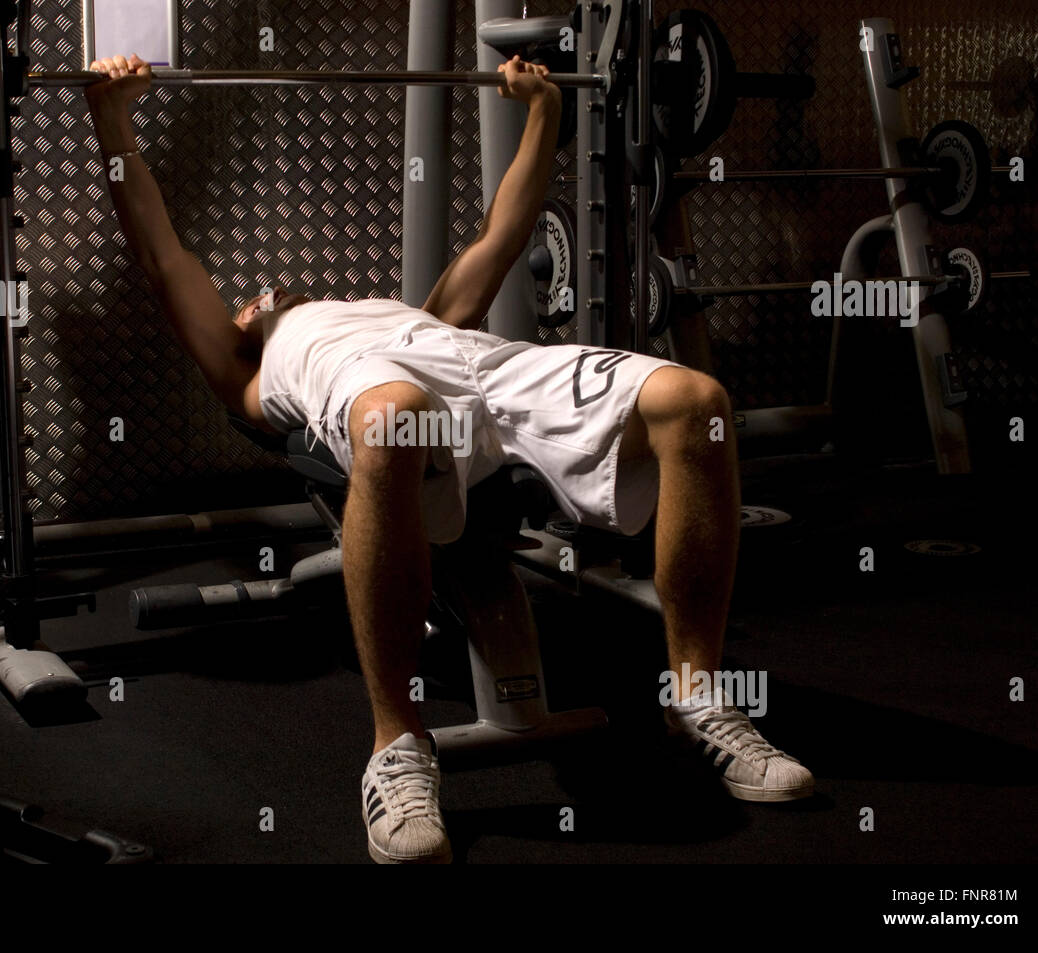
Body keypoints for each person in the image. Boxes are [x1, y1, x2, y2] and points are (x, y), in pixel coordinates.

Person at [85, 53, 813, 864]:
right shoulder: (248, 364)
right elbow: (163, 257)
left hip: (480, 363)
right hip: (379, 392)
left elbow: (503, 235)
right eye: (256, 297)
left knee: (698, 404)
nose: (268, 294)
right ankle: (397, 746)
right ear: (246, 320)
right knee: (394, 417)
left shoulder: (409, 311)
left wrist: (542, 110)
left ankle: (696, 694)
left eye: (270, 292)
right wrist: (112, 118)